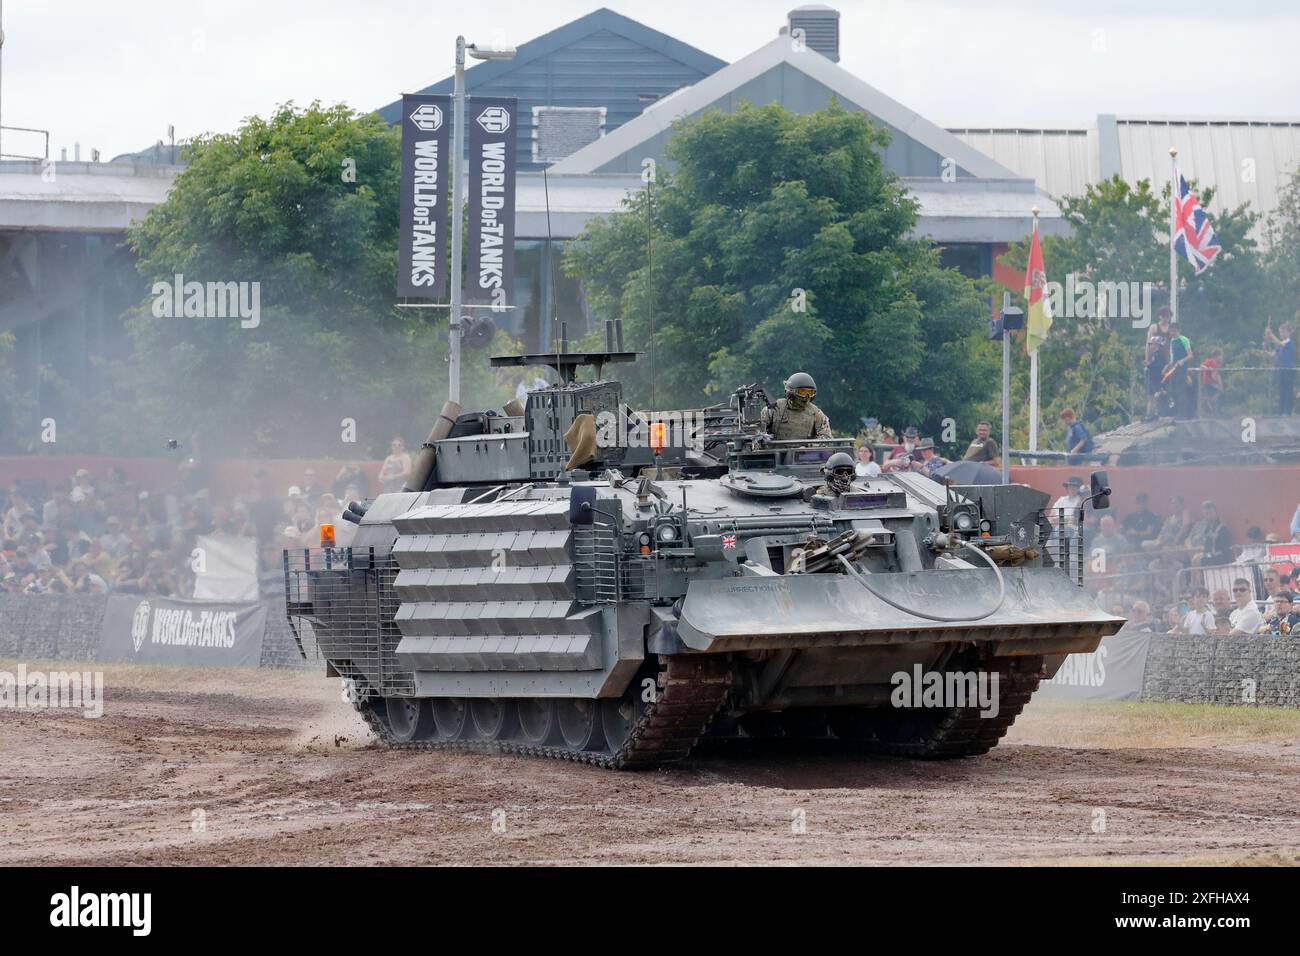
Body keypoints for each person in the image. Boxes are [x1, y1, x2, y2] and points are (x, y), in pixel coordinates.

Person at [760, 372, 832, 441]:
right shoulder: (774, 408)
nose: (806, 396)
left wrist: (809, 447)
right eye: (802, 392)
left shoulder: (816, 414)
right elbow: (757, 430)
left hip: (804, 453)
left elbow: (826, 438)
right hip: (774, 452)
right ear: (791, 392)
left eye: (810, 392)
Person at [1264, 318, 1296, 416]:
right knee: (1281, 390)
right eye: (1280, 332)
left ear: (1288, 332)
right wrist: (1265, 348)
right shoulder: (1280, 345)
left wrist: (1271, 335)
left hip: (1289, 370)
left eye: (1283, 331)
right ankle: (1280, 412)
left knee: (1288, 391)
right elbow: (1272, 355)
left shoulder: (1289, 342)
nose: (1281, 333)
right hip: (1281, 370)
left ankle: (1287, 412)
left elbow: (1280, 344)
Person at [1144, 308, 1172, 418]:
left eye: (1168, 316)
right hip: (1154, 360)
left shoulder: (1171, 329)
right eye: (1164, 315)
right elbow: (1148, 344)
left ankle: (1163, 411)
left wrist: (1171, 362)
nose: (1166, 318)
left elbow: (1172, 345)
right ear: (1160, 316)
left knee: (1165, 386)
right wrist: (1147, 359)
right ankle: (1150, 413)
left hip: (1165, 361)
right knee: (1152, 389)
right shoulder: (1154, 327)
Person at [1164, 322, 1195, 419]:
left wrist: (1182, 360)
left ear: (1178, 330)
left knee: (1180, 390)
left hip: (1182, 368)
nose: (1172, 333)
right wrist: (1167, 366)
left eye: (1174, 331)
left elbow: (1190, 355)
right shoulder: (1172, 341)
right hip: (1174, 369)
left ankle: (1184, 414)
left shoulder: (1184, 339)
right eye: (1171, 331)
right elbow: (1172, 357)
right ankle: (1177, 411)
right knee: (1173, 390)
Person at [1190, 500, 1233, 568]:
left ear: (1215, 512)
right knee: (1195, 560)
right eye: (1206, 513)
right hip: (1211, 558)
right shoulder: (1207, 529)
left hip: (1221, 559)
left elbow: (1226, 551)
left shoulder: (1222, 528)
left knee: (1199, 561)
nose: (1209, 515)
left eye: (1210, 513)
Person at [1199, 347, 1224, 414]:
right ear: (1216, 356)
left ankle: (1211, 404)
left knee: (1220, 391)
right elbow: (1201, 365)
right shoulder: (1210, 361)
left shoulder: (1218, 364)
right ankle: (1208, 402)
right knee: (1217, 390)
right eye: (1221, 356)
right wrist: (1207, 368)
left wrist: (1220, 384)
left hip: (1213, 382)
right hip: (1208, 382)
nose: (1222, 358)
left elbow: (1217, 375)